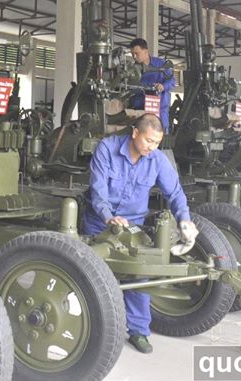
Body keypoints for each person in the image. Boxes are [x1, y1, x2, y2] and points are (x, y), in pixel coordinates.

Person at [81, 113, 199, 354]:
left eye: (157, 142)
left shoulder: (156, 159)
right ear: (135, 133)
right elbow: (98, 189)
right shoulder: (107, 148)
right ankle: (90, 328)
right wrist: (108, 217)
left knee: (138, 275)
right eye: (148, 141)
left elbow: (175, 193)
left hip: (132, 225)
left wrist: (184, 219)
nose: (151, 147)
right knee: (93, 275)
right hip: (99, 222)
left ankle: (138, 332)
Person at [129, 38, 177, 131]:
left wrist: (163, 86)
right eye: (132, 54)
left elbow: (172, 81)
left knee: (162, 139)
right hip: (140, 111)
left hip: (160, 110)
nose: (134, 56)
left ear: (146, 52)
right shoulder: (131, 70)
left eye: (136, 53)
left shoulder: (161, 65)